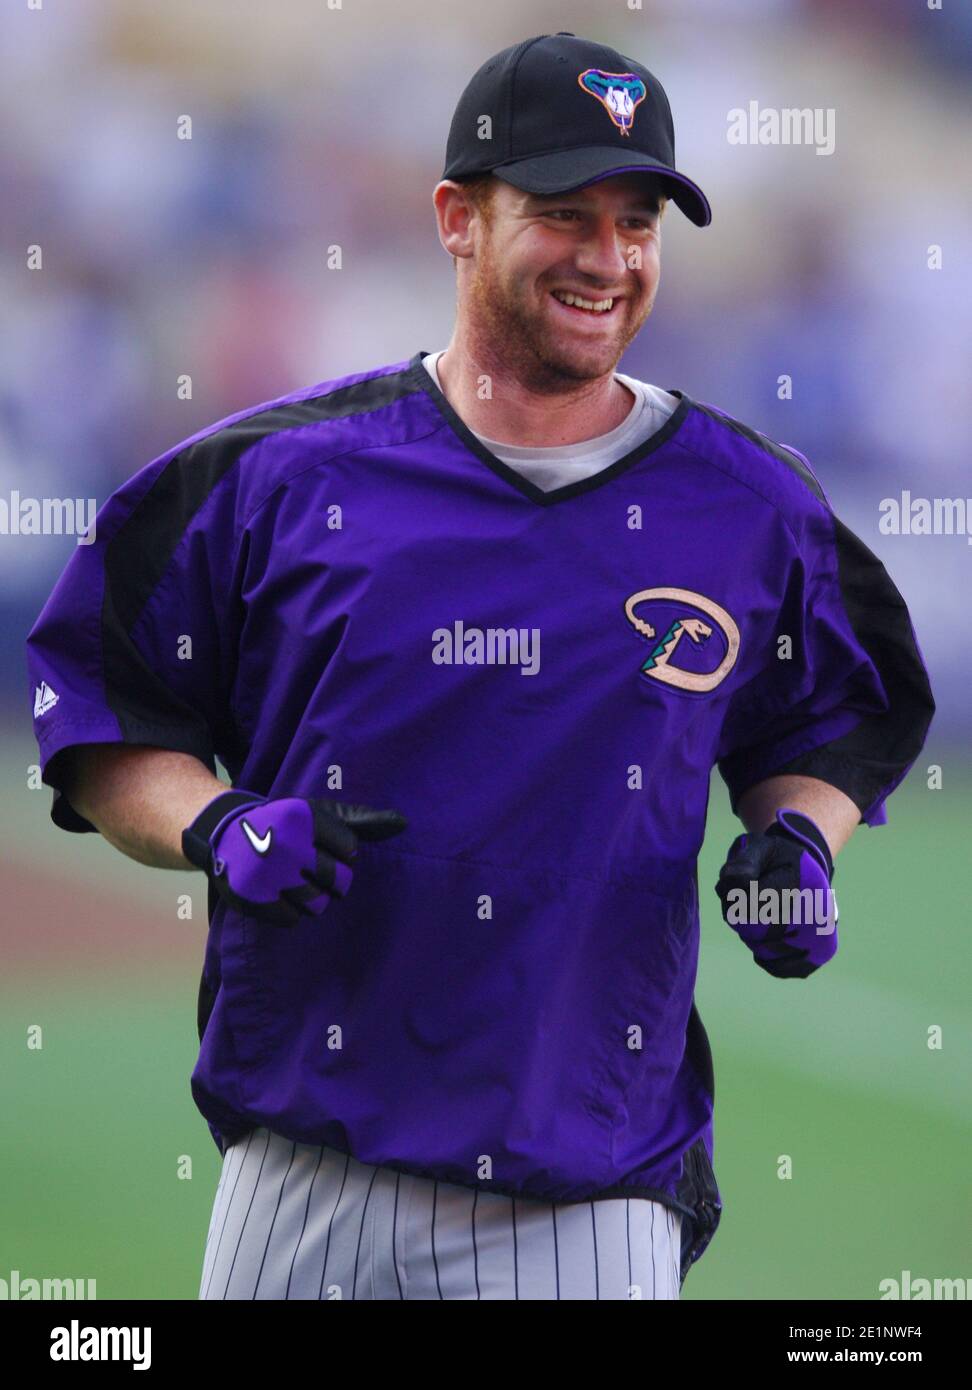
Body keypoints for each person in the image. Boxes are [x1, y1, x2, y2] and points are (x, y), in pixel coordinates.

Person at [26, 32, 934, 1301]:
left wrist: (799, 843)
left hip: (592, 1195)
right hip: (305, 1169)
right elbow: (117, 718)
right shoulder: (274, 479)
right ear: (457, 217)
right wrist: (220, 824)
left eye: (638, 222)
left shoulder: (752, 506)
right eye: (565, 215)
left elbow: (837, 718)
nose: (609, 260)